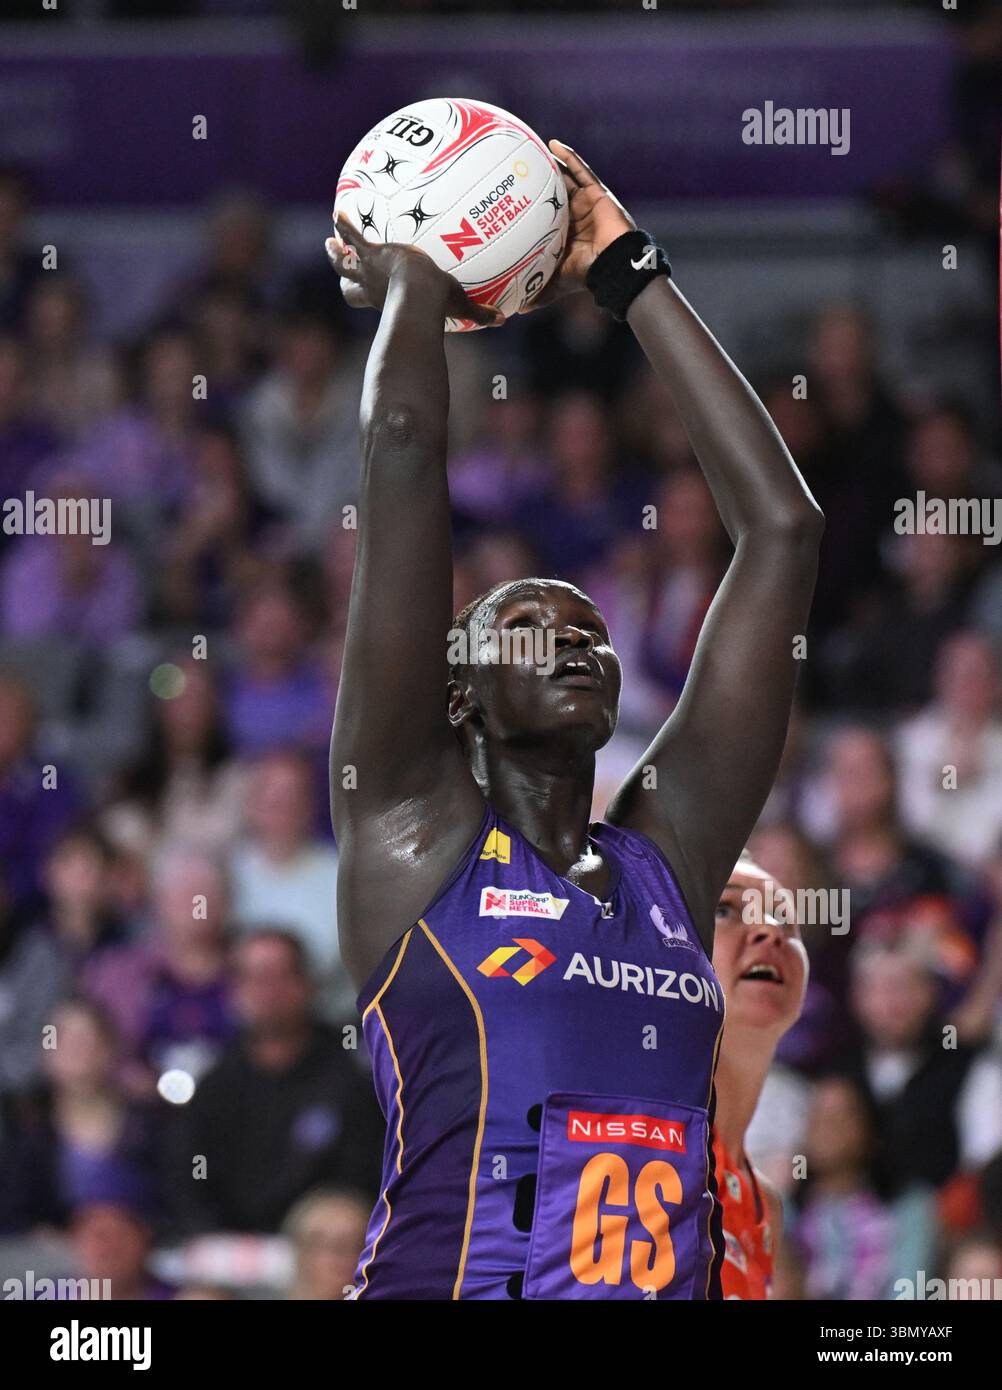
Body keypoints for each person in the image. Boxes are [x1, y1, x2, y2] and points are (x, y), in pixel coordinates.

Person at [328, 134, 823, 1300]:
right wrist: (417, 271)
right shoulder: (411, 837)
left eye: (590, 630)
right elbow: (402, 449)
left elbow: (784, 533)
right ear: (460, 694)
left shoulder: (668, 865)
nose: (576, 641)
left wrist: (629, 269)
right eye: (529, 627)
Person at [165, 930, 382, 1237]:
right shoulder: (215, 1082)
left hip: (329, 1250)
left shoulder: (353, 1075)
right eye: (254, 977)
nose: (268, 991)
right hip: (231, 1254)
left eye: (279, 975)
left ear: (307, 984)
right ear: (234, 990)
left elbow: (363, 1181)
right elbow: (188, 1181)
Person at [711, 852, 809, 1298]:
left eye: (784, 918)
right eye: (725, 909)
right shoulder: (617, 1131)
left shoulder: (765, 1203)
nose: (770, 931)